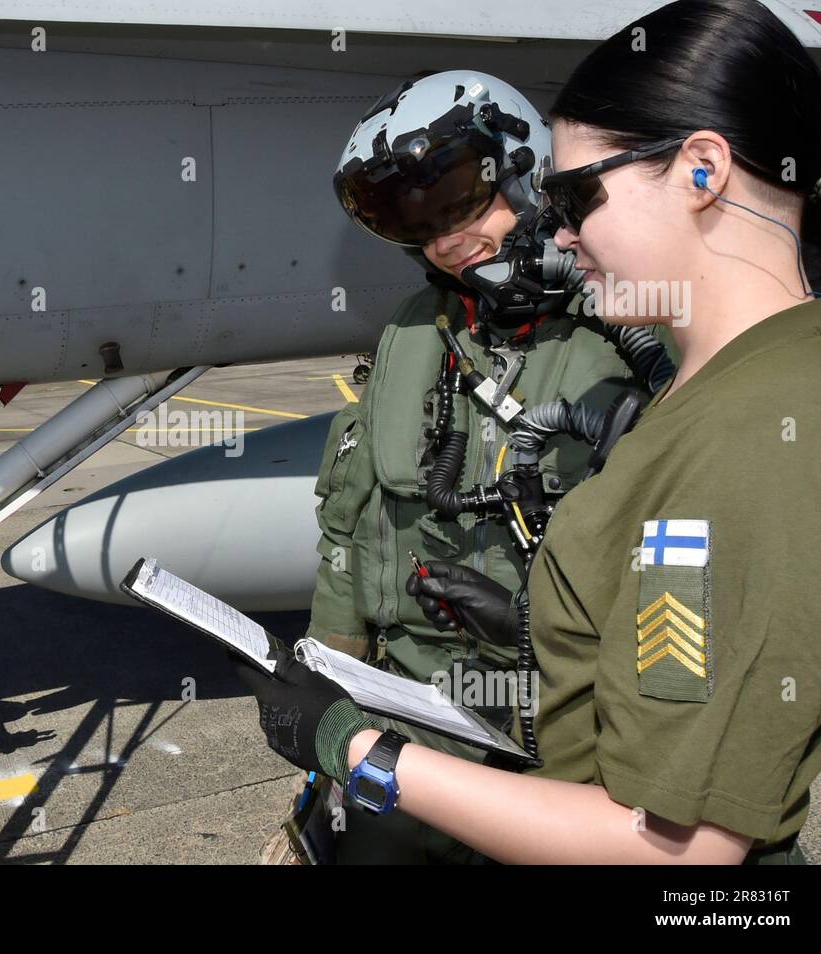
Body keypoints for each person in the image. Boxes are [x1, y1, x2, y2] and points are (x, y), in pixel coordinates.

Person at [240, 0, 821, 864]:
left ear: (704, 173)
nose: (561, 230)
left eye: (578, 195)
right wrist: (343, 697)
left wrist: (356, 750)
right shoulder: (709, 399)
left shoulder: (751, 430)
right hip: (478, 764)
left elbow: (671, 846)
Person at [287, 71, 674, 863]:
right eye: (410, 218)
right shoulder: (410, 334)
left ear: (528, 173)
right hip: (415, 720)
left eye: (457, 197)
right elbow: (350, 515)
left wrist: (532, 629)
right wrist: (330, 674)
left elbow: (687, 577)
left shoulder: (629, 330)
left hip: (564, 726)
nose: (440, 237)